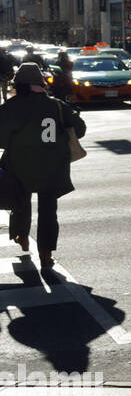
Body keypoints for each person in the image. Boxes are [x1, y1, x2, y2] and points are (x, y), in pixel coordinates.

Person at [0, 63, 86, 271]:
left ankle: (22, 236)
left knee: (20, 201)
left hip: (20, 164)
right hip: (53, 165)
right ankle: (46, 254)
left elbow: (1, 139)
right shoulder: (56, 105)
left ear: (18, 85)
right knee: (48, 209)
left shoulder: (11, 107)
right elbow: (80, 129)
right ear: (40, 83)